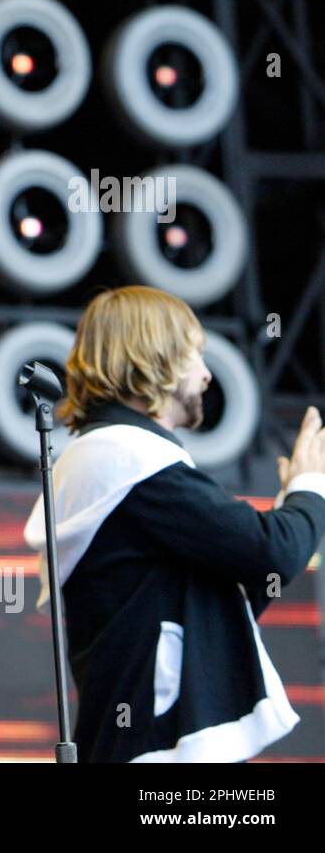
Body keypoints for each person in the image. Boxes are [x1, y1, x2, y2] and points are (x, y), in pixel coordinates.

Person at [23, 285, 325, 762]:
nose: (207, 375)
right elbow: (275, 551)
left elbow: (235, 590)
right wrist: (312, 486)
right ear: (154, 357)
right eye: (195, 355)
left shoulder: (118, 465)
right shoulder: (128, 460)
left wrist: (293, 500)